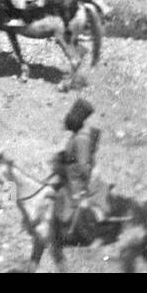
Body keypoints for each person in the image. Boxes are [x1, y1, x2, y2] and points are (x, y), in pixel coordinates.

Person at [52, 98, 103, 240]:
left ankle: (69, 231)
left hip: (81, 178)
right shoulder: (77, 135)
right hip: (72, 174)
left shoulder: (81, 139)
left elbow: (83, 166)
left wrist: (69, 171)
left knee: (69, 202)